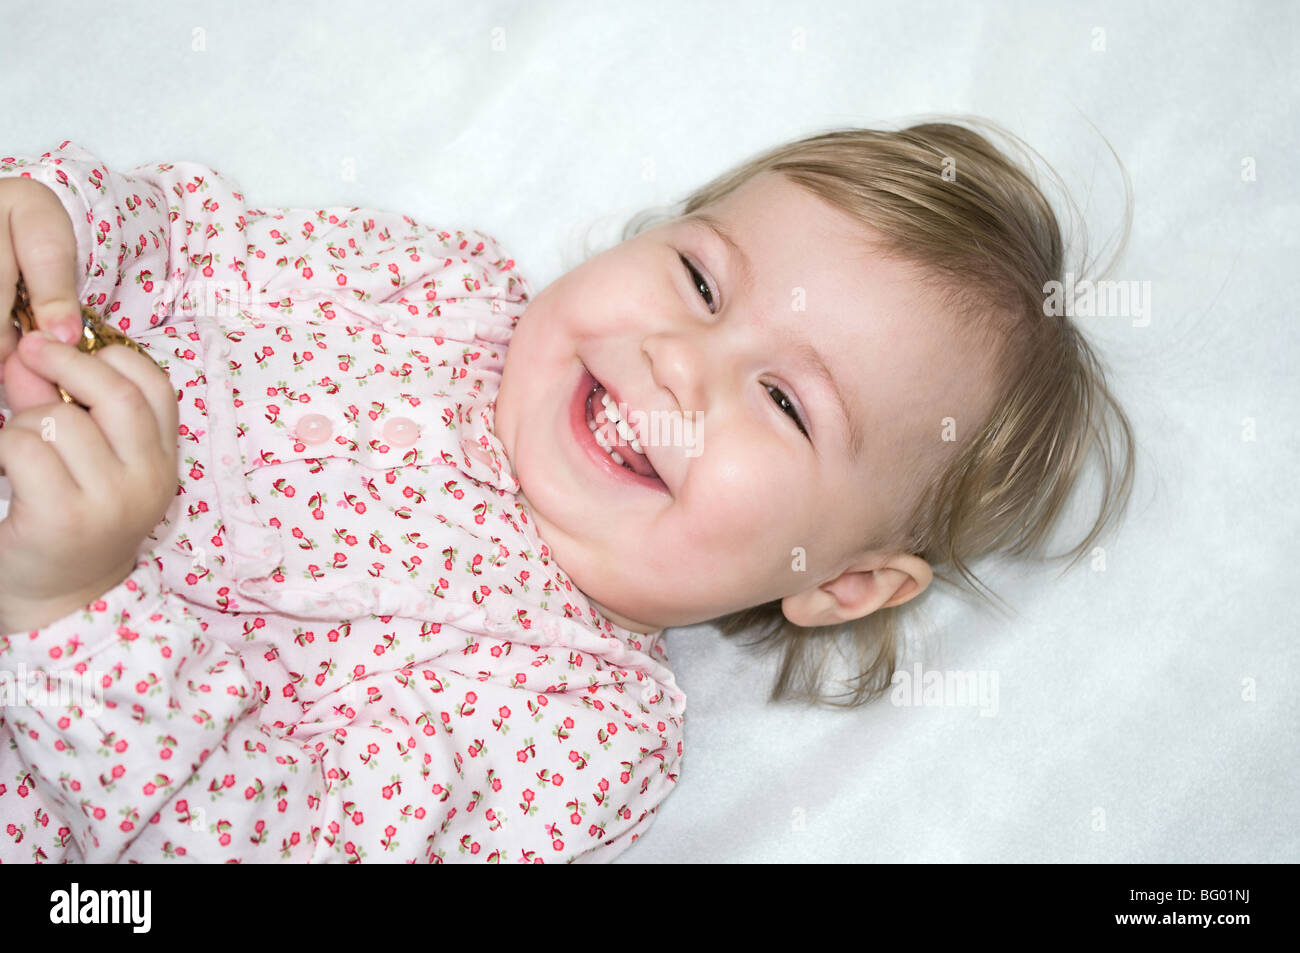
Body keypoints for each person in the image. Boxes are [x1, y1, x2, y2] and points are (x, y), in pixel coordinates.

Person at [0, 120, 1134, 862]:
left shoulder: (576, 726)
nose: (680, 363)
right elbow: (190, 232)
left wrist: (79, 608)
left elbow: (282, 840)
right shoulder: (431, 281)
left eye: (787, 404)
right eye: (698, 278)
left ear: (841, 584)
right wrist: (55, 224)